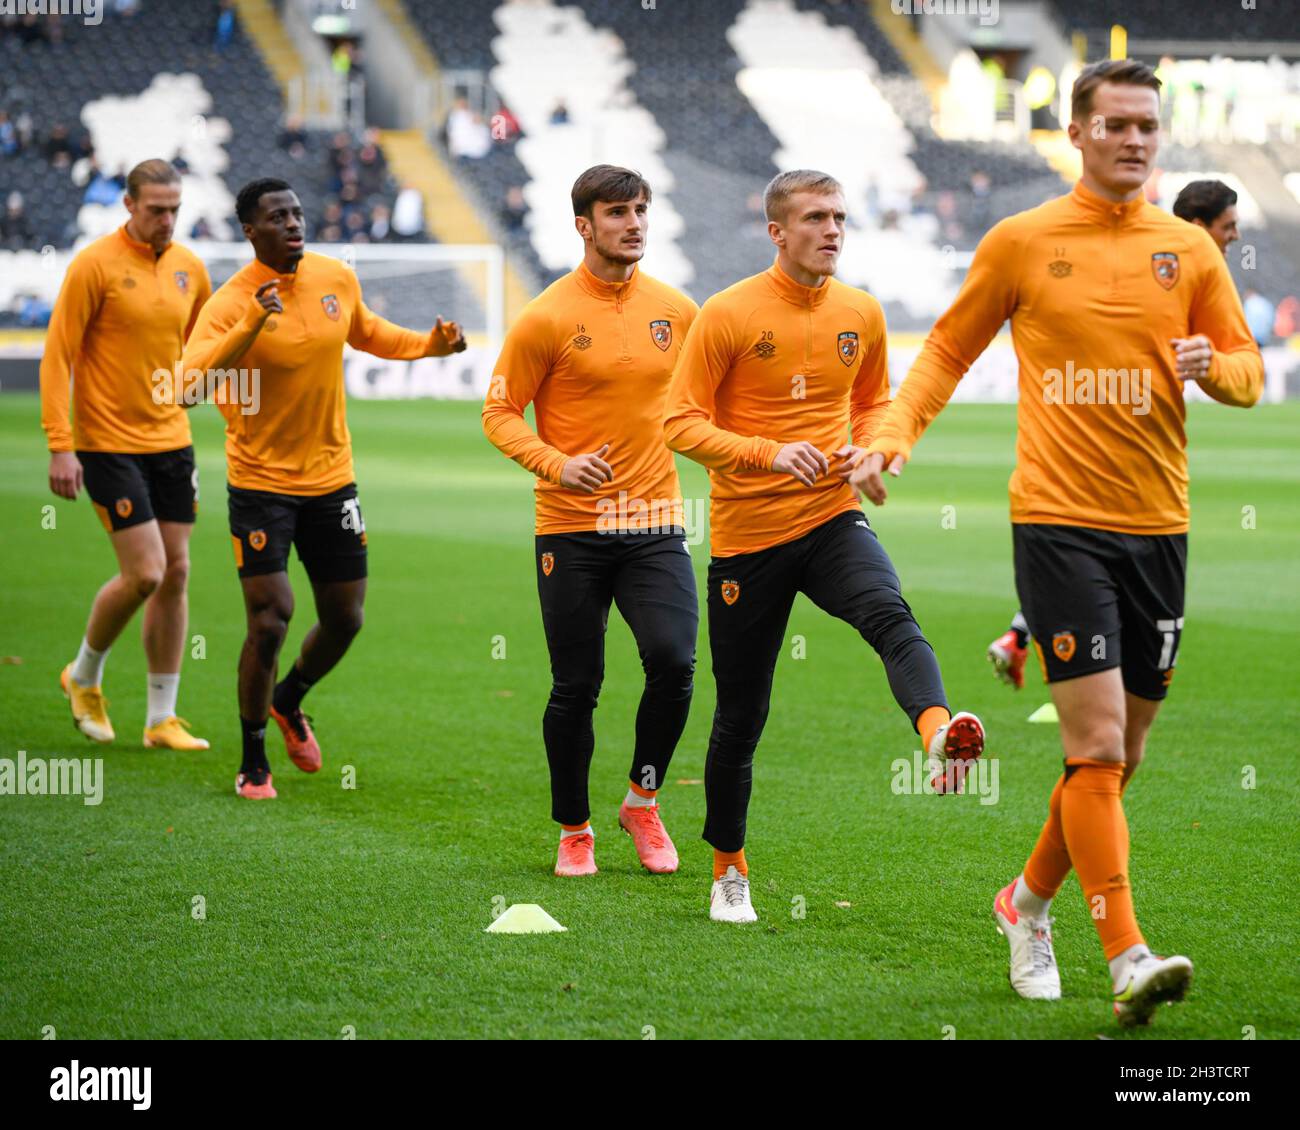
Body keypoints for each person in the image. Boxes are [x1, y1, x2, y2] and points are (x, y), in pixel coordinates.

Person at [852, 60, 1262, 1025]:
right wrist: (890, 437)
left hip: (1158, 525)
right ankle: (1126, 954)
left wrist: (1215, 366)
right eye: (1115, 123)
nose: (1134, 139)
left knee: (1118, 764)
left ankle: (1024, 903)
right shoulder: (1023, 241)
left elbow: (1245, 370)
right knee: (1097, 745)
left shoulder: (1189, 252)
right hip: (1057, 520)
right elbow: (947, 349)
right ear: (1076, 133)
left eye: (1148, 126)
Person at [664, 169, 985, 924]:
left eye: (840, 216)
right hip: (748, 539)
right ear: (778, 231)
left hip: (833, 517)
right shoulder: (728, 314)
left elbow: (875, 403)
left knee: (891, 615)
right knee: (742, 716)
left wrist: (873, 450)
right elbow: (679, 423)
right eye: (815, 217)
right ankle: (729, 871)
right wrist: (768, 454)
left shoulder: (860, 311)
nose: (833, 229)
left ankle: (940, 736)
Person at [180, 178, 467, 799]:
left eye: (297, 212)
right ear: (250, 231)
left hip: (332, 481)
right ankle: (254, 753)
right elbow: (186, 386)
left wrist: (430, 346)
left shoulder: (335, 277)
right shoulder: (232, 302)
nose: (292, 223)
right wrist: (252, 324)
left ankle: (290, 699)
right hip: (259, 484)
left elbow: (367, 331)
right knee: (270, 619)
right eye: (276, 217)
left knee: (345, 617)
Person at [483, 166, 699, 877]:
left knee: (673, 662)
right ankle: (575, 828)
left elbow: (713, 399)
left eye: (641, 210)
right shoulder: (545, 316)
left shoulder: (677, 310)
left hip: (655, 521)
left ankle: (642, 800)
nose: (634, 223)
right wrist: (555, 463)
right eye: (617, 213)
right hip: (571, 527)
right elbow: (499, 412)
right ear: (584, 225)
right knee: (577, 684)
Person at [987, 176, 1243, 689]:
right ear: (1197, 225)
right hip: (1076, 488)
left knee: (1098, 595)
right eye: (1227, 226)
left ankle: (1021, 638)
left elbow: (1245, 372)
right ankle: (1037, 654)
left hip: (1148, 494)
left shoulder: (1196, 269)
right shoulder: (1135, 258)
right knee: (1090, 593)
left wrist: (1213, 365)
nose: (1235, 237)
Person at [40, 159, 213, 751]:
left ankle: (161, 718)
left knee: (179, 572)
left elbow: (199, 354)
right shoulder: (95, 265)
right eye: (155, 209)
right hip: (107, 444)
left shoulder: (191, 268)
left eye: (175, 209)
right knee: (146, 572)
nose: (167, 220)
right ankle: (83, 675)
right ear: (129, 206)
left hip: (173, 442)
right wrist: (61, 447)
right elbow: (57, 356)